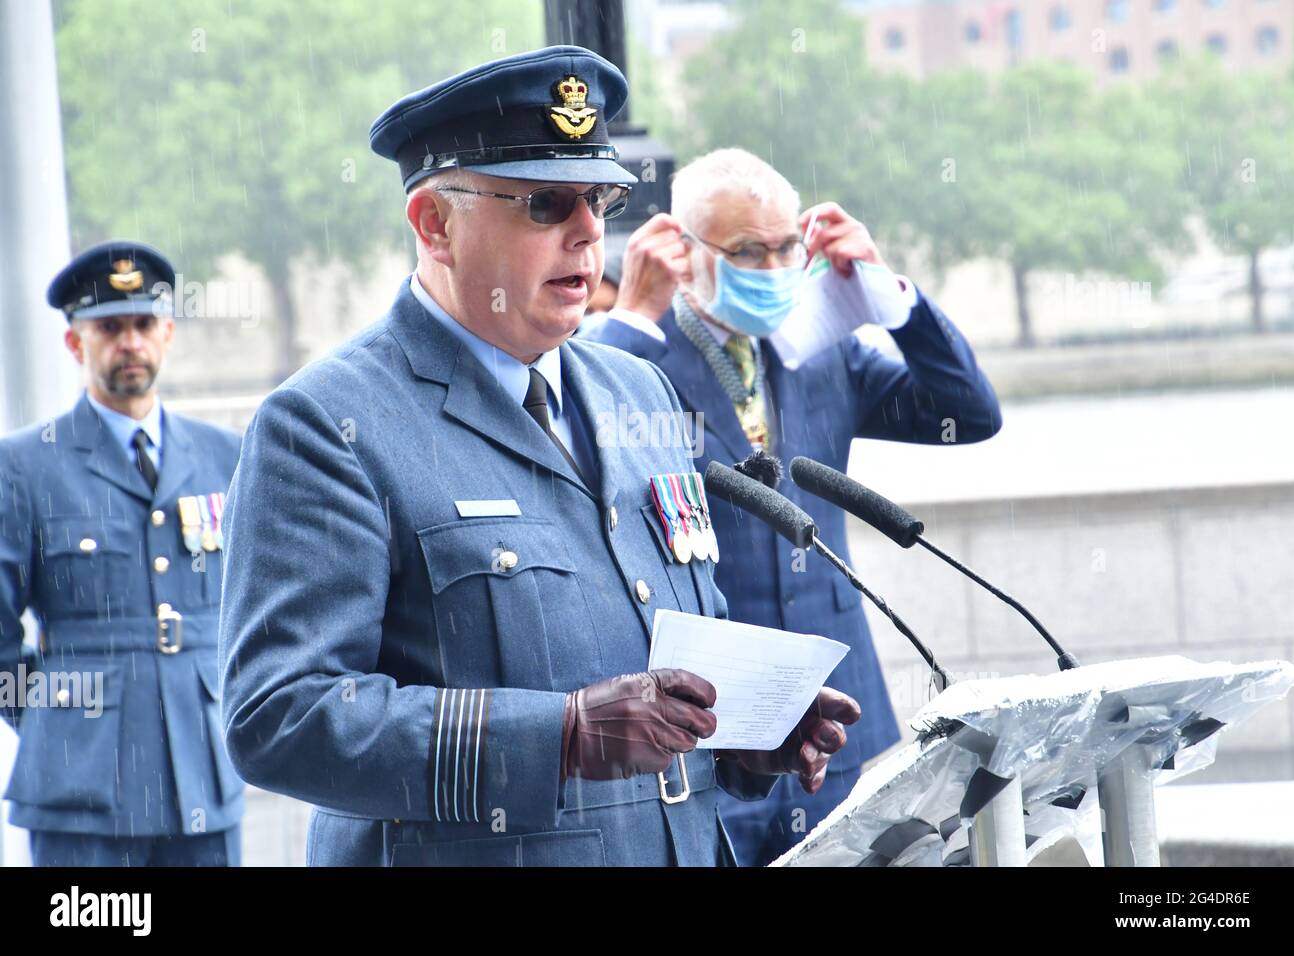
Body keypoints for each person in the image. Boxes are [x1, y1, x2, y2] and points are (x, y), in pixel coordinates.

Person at [216, 45, 859, 867]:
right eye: (546, 203)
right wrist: (559, 736)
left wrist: (743, 733)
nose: (591, 229)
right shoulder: (325, 424)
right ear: (434, 224)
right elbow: (281, 718)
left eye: (600, 197)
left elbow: (674, 645)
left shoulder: (640, 391)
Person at [585, 147, 1003, 865]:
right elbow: (578, 457)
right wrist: (629, 317)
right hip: (710, 730)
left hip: (830, 721)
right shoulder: (631, 360)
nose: (775, 268)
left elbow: (966, 412)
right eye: (748, 250)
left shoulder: (821, 352)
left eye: (786, 247)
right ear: (683, 251)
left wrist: (891, 296)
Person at [0, 241, 244, 866]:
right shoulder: (25, 466)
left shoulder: (226, 456)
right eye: (109, 327)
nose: (129, 342)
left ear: (166, 333)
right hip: (80, 784)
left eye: (142, 325)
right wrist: (59, 715)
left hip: (202, 769)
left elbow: (259, 606)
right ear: (75, 344)